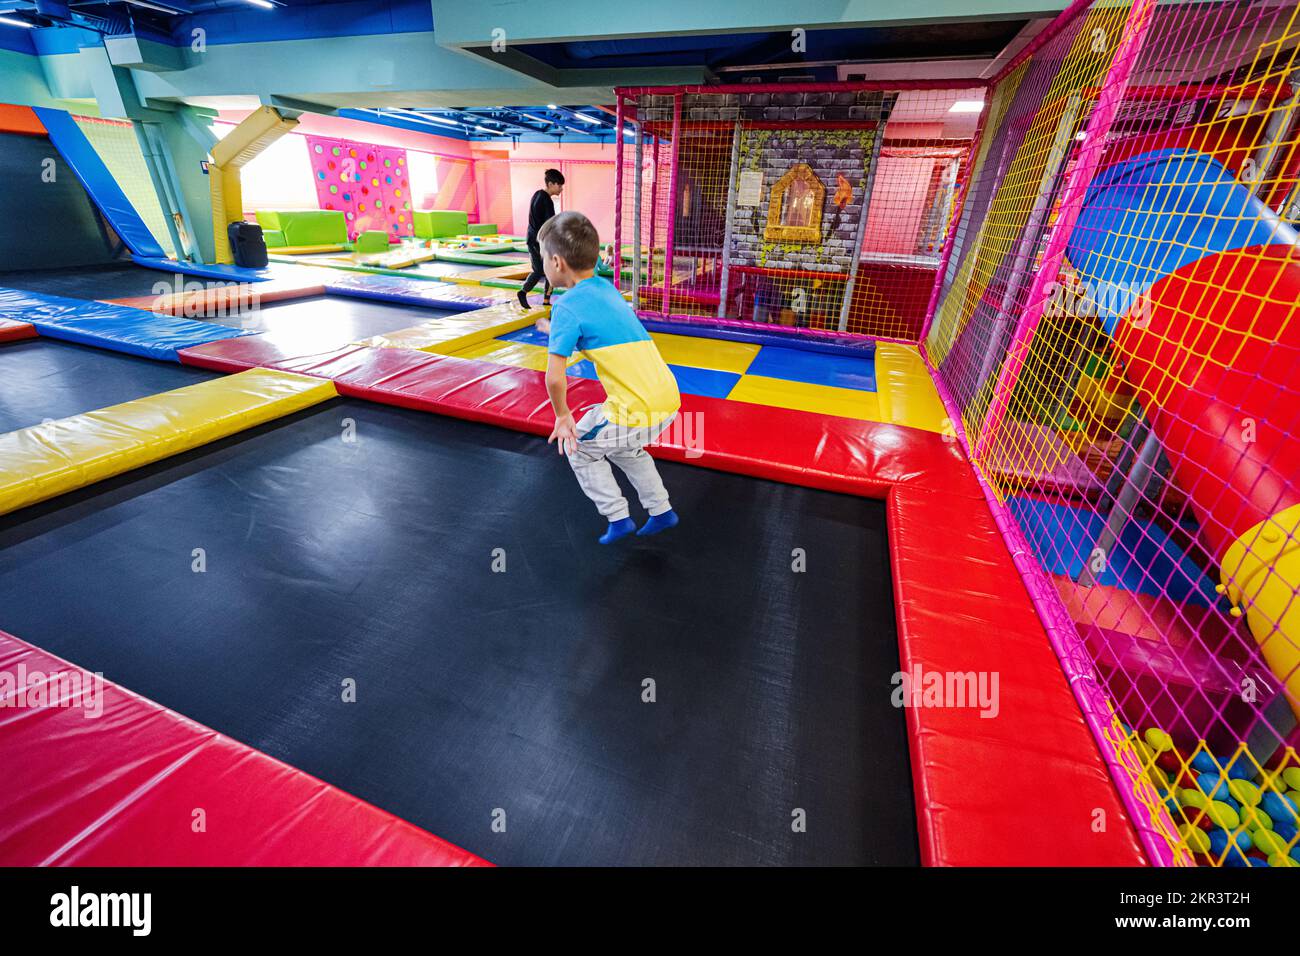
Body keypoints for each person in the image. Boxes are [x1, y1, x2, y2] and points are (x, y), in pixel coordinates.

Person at [534, 211, 681, 544]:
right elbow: (599, 334)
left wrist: (562, 415)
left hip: (635, 408)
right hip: (668, 399)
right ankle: (661, 511)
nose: (542, 264)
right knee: (626, 448)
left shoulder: (567, 306)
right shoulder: (606, 288)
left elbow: (555, 378)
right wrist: (553, 330)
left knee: (580, 448)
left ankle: (618, 518)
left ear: (557, 262)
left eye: (542, 257)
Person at [517, 168, 565, 310]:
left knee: (547, 270)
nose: (561, 189)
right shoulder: (546, 200)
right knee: (541, 270)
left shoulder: (537, 195)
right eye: (559, 185)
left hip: (535, 239)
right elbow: (549, 224)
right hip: (539, 241)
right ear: (551, 184)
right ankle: (523, 292)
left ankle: (545, 299)